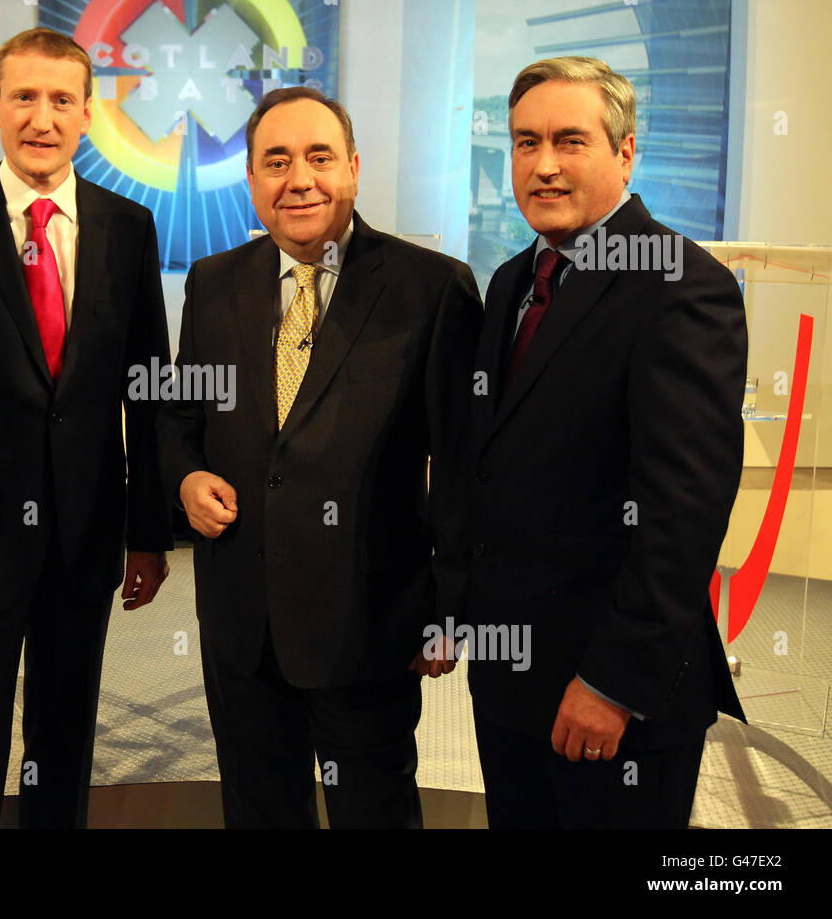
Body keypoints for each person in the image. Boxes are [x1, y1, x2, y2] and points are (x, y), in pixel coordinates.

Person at [157, 87, 482, 828]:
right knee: (259, 808)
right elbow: (181, 418)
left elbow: (463, 467)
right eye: (276, 161)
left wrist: (450, 609)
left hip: (370, 625)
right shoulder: (213, 284)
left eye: (318, 157)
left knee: (374, 811)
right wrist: (185, 476)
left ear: (355, 169)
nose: (297, 179)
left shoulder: (431, 290)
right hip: (242, 622)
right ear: (250, 180)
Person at [0, 28, 173, 829]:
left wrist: (145, 532)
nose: (41, 118)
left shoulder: (129, 228)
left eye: (60, 100)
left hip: (85, 534)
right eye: (24, 97)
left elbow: (145, 388)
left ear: (88, 114)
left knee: (65, 727)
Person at [459, 56, 747, 828]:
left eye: (569, 141)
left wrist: (612, 684)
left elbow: (681, 518)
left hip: (613, 702)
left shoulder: (683, 286)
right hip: (512, 687)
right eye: (524, 143)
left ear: (625, 153)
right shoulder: (513, 280)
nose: (543, 166)